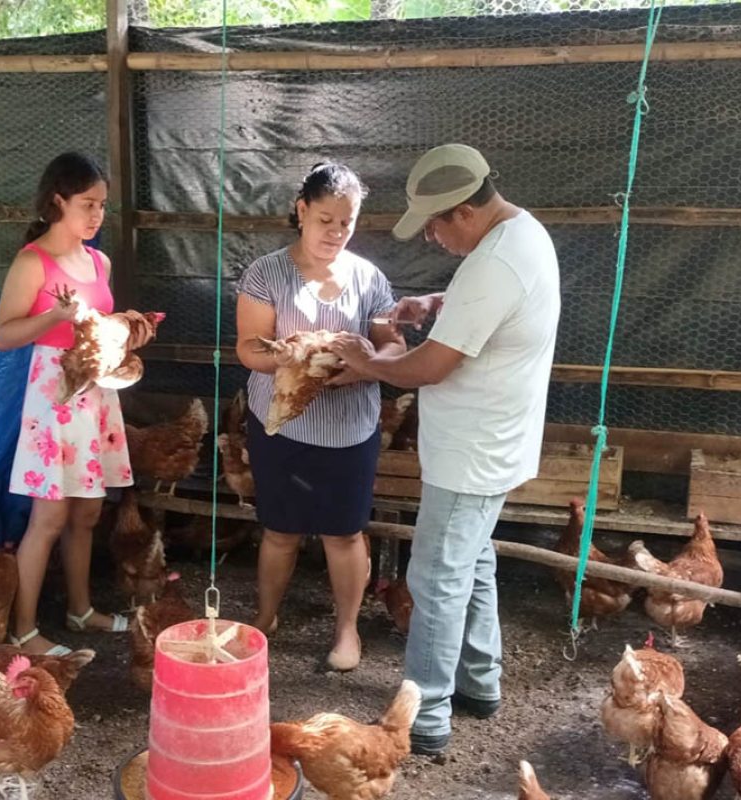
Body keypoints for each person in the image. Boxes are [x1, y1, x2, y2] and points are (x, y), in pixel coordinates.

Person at [332, 144, 561, 753]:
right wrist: (440, 304)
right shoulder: (522, 233)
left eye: (434, 224)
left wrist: (369, 361)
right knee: (473, 560)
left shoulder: (494, 266)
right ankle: (480, 681)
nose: (431, 238)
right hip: (497, 441)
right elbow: (500, 312)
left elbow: (430, 367)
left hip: (471, 450)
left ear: (462, 210)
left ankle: (426, 714)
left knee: (434, 577)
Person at [235, 163, 406, 671]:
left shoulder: (368, 277)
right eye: (325, 219)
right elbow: (248, 347)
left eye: (346, 223)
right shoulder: (266, 273)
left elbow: (391, 341)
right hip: (281, 420)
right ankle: (266, 617)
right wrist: (293, 361)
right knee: (280, 530)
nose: (335, 232)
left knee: (344, 533)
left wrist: (365, 367)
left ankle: (347, 630)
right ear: (302, 210)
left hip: (349, 428)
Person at [0, 151, 149, 656]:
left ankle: (80, 611)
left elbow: (97, 327)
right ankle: (24, 630)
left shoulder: (98, 260)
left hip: (97, 392)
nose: (97, 215)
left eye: (102, 205)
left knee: (87, 513)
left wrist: (126, 327)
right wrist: (54, 317)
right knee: (49, 519)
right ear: (57, 201)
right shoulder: (32, 261)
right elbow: (2, 336)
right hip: (53, 395)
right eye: (88, 204)